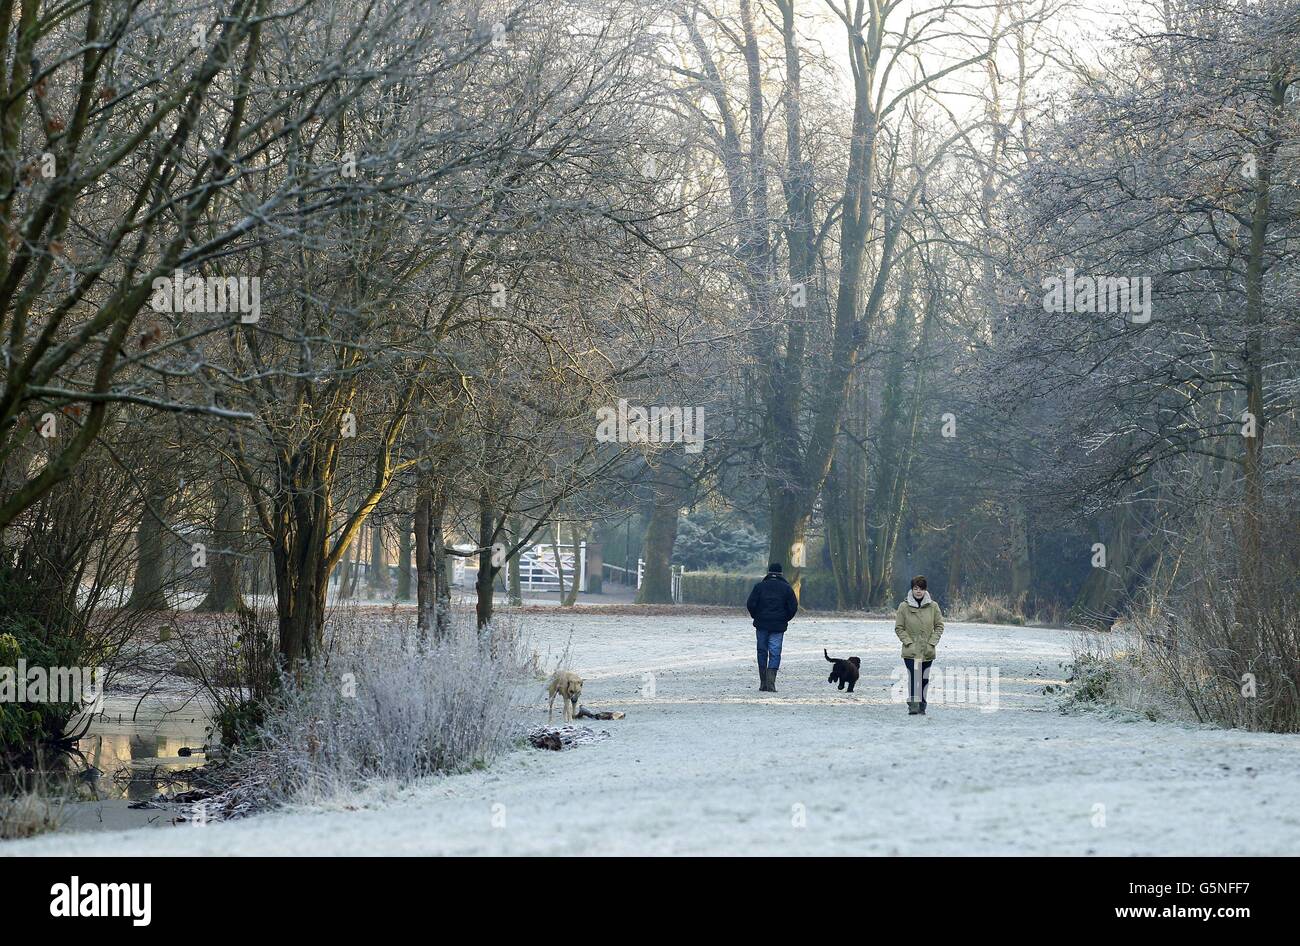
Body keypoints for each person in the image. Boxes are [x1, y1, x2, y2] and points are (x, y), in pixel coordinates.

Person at [894, 575, 944, 715]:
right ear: (912, 589)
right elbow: (899, 628)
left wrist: (932, 643)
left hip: (927, 650)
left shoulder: (933, 606)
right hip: (911, 650)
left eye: (921, 589)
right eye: (916, 588)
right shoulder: (903, 607)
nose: (918, 591)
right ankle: (913, 706)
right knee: (914, 677)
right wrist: (908, 642)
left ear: (925, 590)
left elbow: (939, 626)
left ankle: (922, 705)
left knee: (924, 679)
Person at [746, 562, 798, 692]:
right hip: (778, 626)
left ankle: (763, 682)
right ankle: (771, 683)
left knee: (761, 651)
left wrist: (756, 616)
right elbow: (793, 607)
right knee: (775, 653)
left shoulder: (759, 587)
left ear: (768, 572)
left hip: (762, 624)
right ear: (781, 574)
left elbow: (750, 604)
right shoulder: (787, 589)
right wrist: (785, 618)